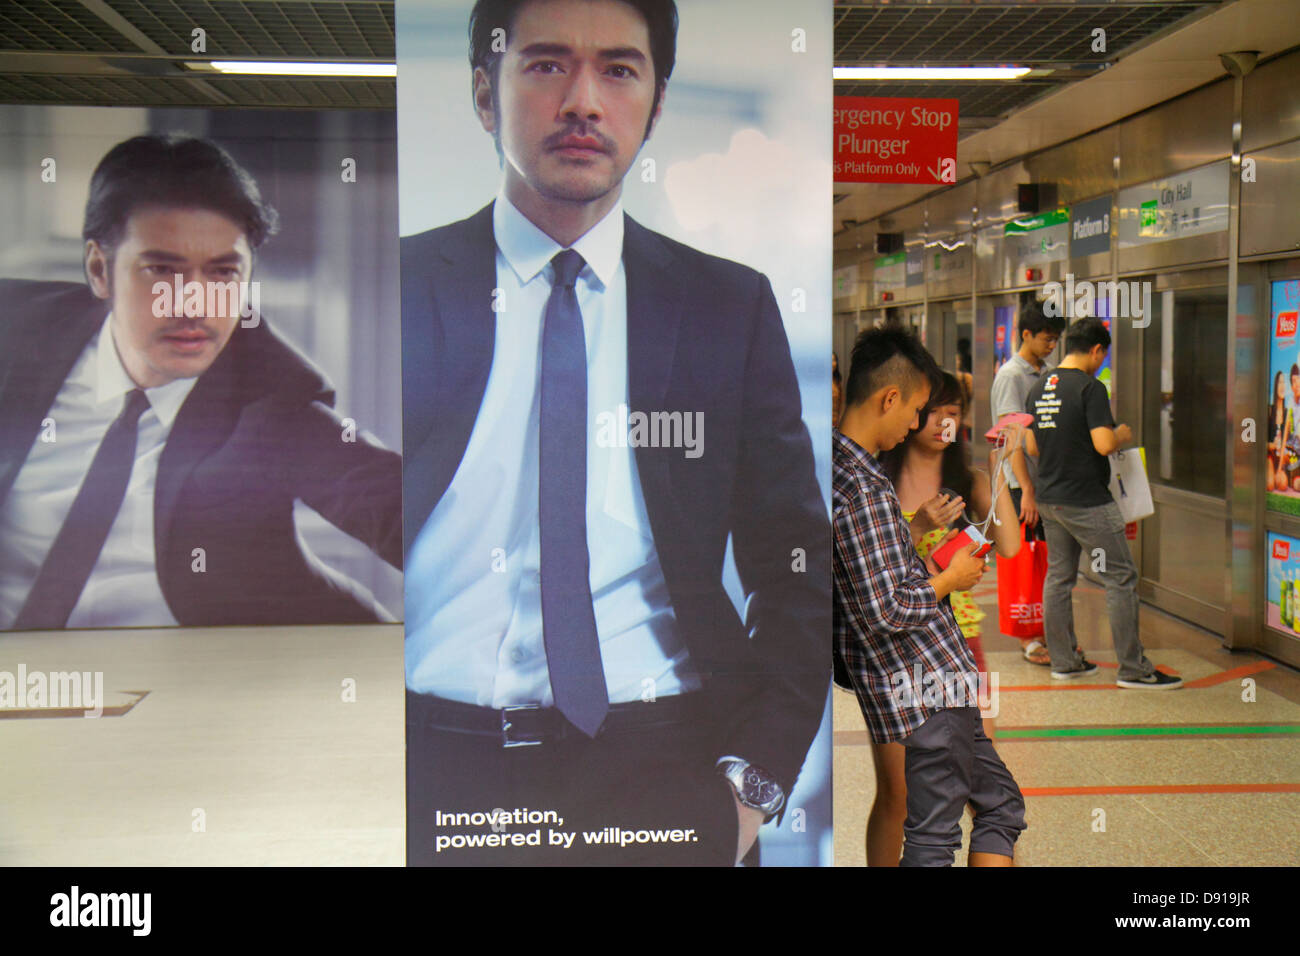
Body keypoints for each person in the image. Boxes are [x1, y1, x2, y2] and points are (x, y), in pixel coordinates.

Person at [400, 0, 828, 866]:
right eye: (547, 65)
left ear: (656, 105)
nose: (584, 102)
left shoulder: (724, 307)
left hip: (662, 763)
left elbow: (796, 560)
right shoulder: (399, 288)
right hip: (430, 764)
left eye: (620, 71)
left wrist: (751, 789)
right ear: (486, 93)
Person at [0, 134, 402, 630]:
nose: (193, 304)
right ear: (99, 269)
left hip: (184, 683)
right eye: (162, 270)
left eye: (222, 273)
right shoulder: (14, 330)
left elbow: (401, 513)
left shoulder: (274, 402)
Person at [834, 326, 1026, 867]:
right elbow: (884, 609)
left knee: (998, 806)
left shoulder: (852, 473)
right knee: (933, 831)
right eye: (919, 409)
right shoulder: (863, 487)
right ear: (888, 398)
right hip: (922, 683)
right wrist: (950, 578)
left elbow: (872, 577)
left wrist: (914, 531)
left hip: (943, 674)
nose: (922, 422)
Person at [1022, 317, 1182, 689]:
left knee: (1059, 578)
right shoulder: (1090, 388)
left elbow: (1031, 446)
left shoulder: (1040, 386)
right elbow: (1104, 445)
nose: (1102, 362)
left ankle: (1064, 661)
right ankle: (1133, 668)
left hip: (1050, 499)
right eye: (1103, 356)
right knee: (1120, 578)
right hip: (1087, 500)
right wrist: (1121, 433)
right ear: (1096, 350)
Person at [989, 297, 1065, 665]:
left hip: (1044, 482)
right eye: (1046, 339)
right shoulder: (1011, 377)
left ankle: (1046, 632)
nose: (1052, 346)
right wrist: (1027, 491)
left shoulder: (1046, 373)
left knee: (1045, 561)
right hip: (1021, 485)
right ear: (1026, 334)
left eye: (1056, 340)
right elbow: (1011, 437)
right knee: (1026, 563)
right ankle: (1028, 639)